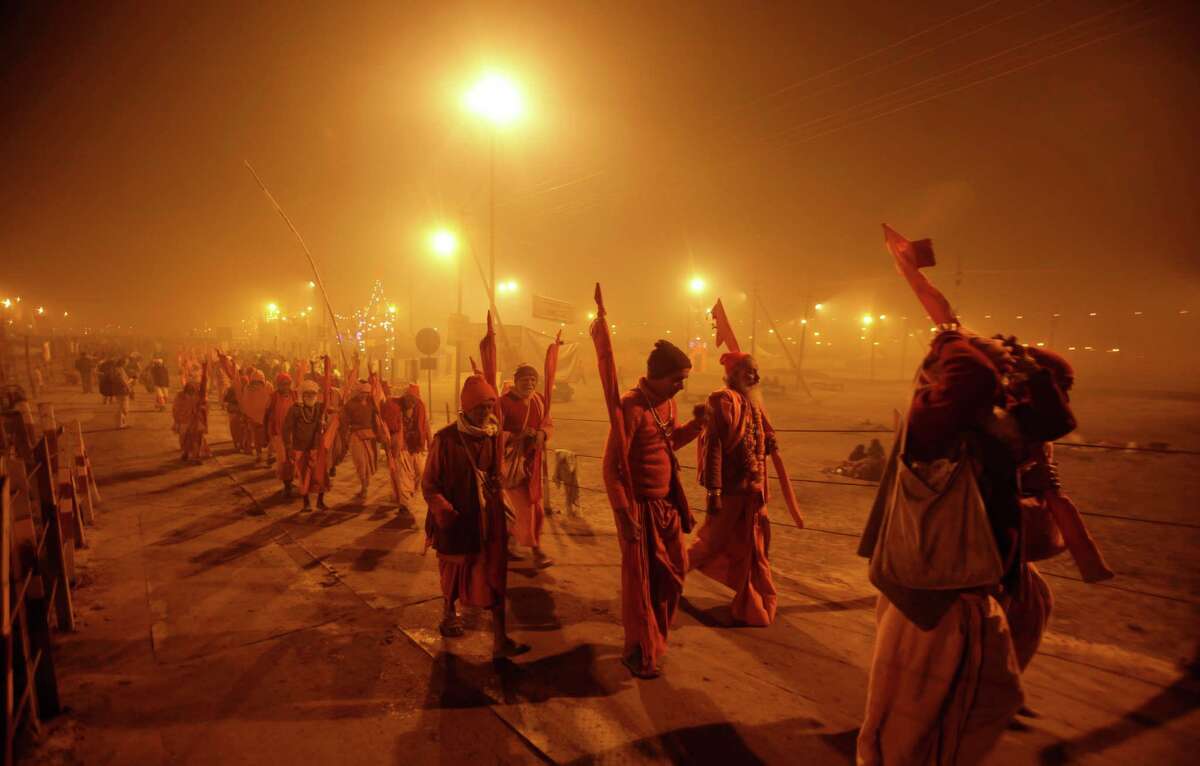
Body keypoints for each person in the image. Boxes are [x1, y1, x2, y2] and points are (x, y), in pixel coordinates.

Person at [856, 329, 1076, 765]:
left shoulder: (986, 426)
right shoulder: (929, 426)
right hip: (938, 598)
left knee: (965, 704)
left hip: (965, 587)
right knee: (919, 716)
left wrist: (1028, 368)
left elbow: (1057, 421)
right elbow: (972, 377)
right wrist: (953, 341)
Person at [602, 340, 704, 679]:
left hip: (666, 505)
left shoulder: (668, 405)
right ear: (657, 376)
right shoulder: (631, 408)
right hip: (638, 509)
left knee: (673, 574)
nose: (681, 385)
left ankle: (654, 639)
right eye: (677, 378)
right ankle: (638, 650)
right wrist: (624, 514)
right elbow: (612, 469)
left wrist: (697, 426)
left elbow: (667, 443)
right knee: (640, 583)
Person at [423, 374, 530, 659]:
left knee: (495, 574)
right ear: (467, 408)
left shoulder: (494, 436)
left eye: (489, 406)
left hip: (487, 518)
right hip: (456, 520)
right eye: (480, 408)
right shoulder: (445, 439)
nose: (485, 413)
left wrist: (498, 483)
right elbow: (429, 484)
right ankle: (448, 613)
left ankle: (500, 639)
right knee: (455, 573)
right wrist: (445, 512)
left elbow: (496, 473)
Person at [688, 351, 778, 626]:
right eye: (747, 371)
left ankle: (749, 602)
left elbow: (754, 442)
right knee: (710, 543)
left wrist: (767, 446)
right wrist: (714, 492)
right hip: (730, 490)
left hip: (752, 491)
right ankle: (665, 574)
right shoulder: (722, 400)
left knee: (753, 546)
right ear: (733, 374)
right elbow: (714, 447)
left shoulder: (750, 403)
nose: (754, 377)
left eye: (755, 372)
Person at [500, 364, 555, 567]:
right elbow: (494, 432)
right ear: (516, 381)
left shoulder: (539, 401)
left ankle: (507, 546)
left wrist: (541, 434)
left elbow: (547, 423)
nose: (529, 383)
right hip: (511, 466)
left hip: (533, 465)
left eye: (533, 380)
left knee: (534, 508)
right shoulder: (503, 403)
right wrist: (516, 437)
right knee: (525, 509)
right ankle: (536, 550)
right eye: (525, 379)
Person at [381, 383, 431, 514]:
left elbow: (426, 426)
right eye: (409, 399)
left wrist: (430, 444)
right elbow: (388, 428)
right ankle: (404, 504)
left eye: (414, 400)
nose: (411, 402)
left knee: (419, 473)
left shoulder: (420, 408)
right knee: (403, 476)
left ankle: (408, 494)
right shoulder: (396, 407)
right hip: (402, 447)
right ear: (405, 397)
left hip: (417, 447)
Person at [282, 379, 329, 511]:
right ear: (302, 395)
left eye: (313, 394)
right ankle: (306, 503)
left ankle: (320, 502)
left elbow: (329, 402)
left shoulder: (320, 407)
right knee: (304, 477)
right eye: (307, 394)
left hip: (316, 447)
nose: (310, 396)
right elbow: (286, 429)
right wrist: (288, 446)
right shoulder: (295, 409)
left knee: (321, 475)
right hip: (300, 448)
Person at [343, 382, 381, 499]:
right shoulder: (350, 404)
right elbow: (345, 421)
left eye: (367, 393)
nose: (365, 395)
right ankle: (364, 486)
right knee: (361, 463)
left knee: (370, 462)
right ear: (358, 392)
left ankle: (365, 486)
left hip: (370, 436)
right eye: (362, 393)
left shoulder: (371, 403)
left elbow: (377, 417)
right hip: (356, 436)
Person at [265, 372, 298, 496]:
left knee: (293, 458)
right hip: (278, 433)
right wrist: (266, 433)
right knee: (283, 459)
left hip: (293, 433)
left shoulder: (294, 395)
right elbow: (266, 414)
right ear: (278, 385)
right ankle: (287, 484)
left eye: (288, 384)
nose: (286, 387)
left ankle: (290, 480)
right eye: (283, 384)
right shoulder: (273, 397)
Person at [172, 380, 209, 462]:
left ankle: (196, 456)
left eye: (194, 387)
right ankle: (185, 452)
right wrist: (178, 419)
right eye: (190, 387)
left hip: (196, 421)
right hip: (184, 421)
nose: (192, 389)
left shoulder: (199, 396)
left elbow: (205, 406)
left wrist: (202, 408)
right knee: (184, 439)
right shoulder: (180, 396)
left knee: (197, 439)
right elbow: (176, 408)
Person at [241, 368, 272, 463]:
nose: (256, 384)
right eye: (254, 382)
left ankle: (269, 454)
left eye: (259, 382)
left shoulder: (268, 386)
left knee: (270, 436)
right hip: (254, 417)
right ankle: (259, 454)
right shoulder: (247, 388)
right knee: (257, 437)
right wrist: (247, 415)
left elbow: (272, 399)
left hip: (267, 416)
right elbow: (246, 402)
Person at [110, 358, 133, 429]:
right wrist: (128, 387)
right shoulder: (120, 370)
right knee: (123, 408)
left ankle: (121, 423)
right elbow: (123, 380)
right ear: (123, 363)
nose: (127, 364)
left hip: (118, 390)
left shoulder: (115, 369)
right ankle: (120, 424)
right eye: (126, 362)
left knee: (121, 407)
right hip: (122, 390)